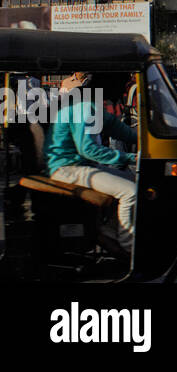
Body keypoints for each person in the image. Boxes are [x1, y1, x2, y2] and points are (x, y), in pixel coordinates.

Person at [46, 74, 138, 254]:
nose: (124, 90)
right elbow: (87, 149)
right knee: (131, 192)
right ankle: (129, 247)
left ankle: (110, 232)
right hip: (67, 168)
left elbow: (118, 129)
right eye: (122, 85)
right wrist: (128, 158)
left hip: (80, 165)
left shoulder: (91, 103)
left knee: (135, 181)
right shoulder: (85, 106)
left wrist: (149, 139)